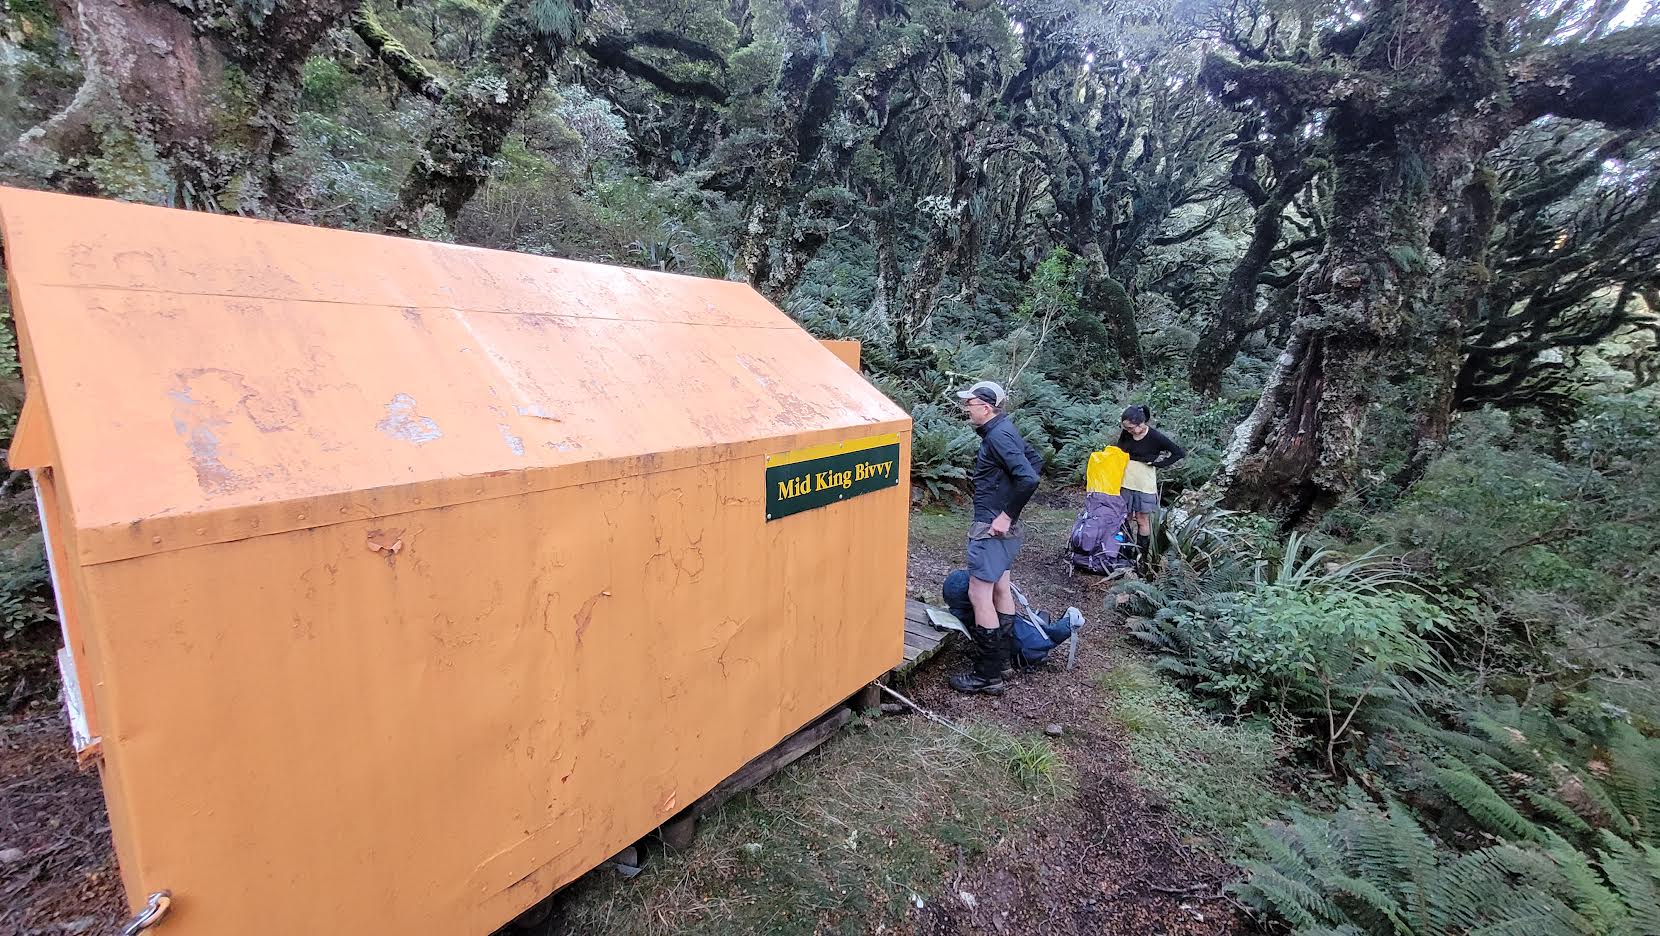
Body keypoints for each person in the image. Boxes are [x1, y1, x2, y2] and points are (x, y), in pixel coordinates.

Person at [950, 380, 1043, 695]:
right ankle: (1002, 661)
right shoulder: (1004, 429)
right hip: (1002, 527)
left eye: (970, 403)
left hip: (992, 526)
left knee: (980, 593)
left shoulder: (999, 436)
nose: (967, 409)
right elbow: (1036, 461)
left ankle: (987, 675)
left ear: (986, 407)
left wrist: (1005, 514)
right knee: (1001, 587)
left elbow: (1029, 477)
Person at [1116, 404, 1185, 566]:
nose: (1129, 431)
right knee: (1123, 517)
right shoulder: (1126, 434)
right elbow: (1119, 451)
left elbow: (1178, 453)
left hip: (1144, 484)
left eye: (1131, 428)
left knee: (1142, 520)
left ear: (1141, 424)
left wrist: (1159, 464)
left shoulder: (1155, 437)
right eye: (1126, 428)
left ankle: (1140, 556)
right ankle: (1123, 551)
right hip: (1125, 482)